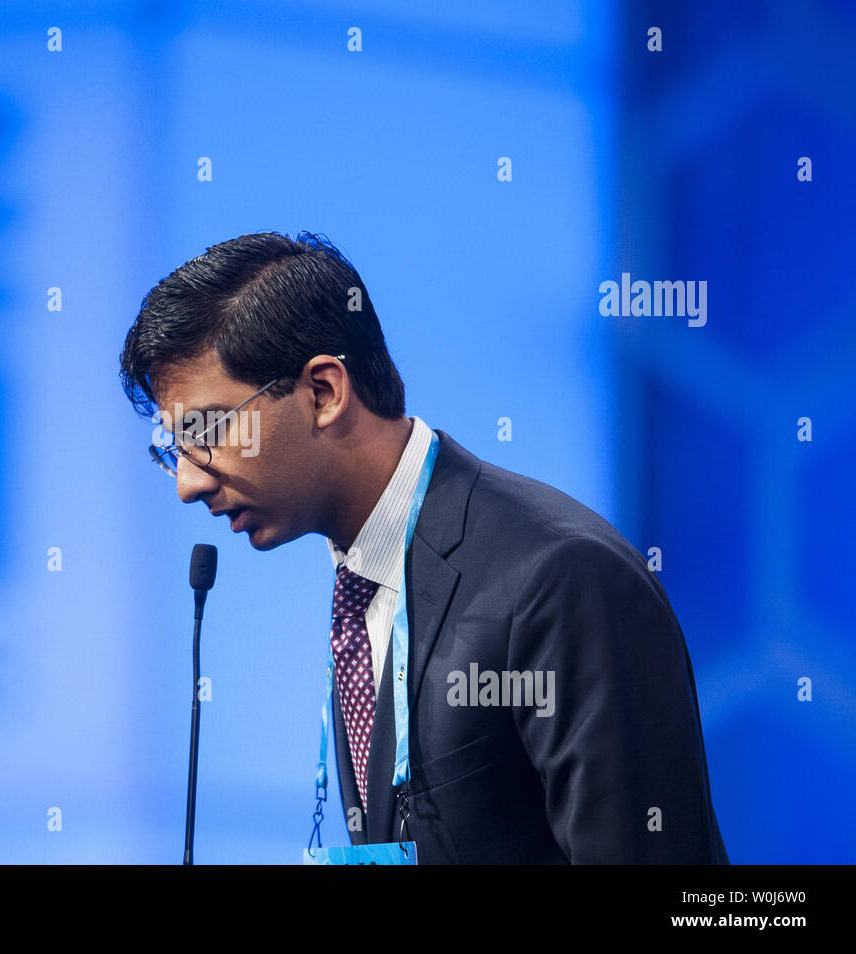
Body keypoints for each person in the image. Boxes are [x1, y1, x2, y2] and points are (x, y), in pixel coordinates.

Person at [118, 231, 729, 863]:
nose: (189, 483)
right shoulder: (367, 578)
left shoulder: (560, 576)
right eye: (174, 449)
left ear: (324, 393)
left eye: (207, 432)